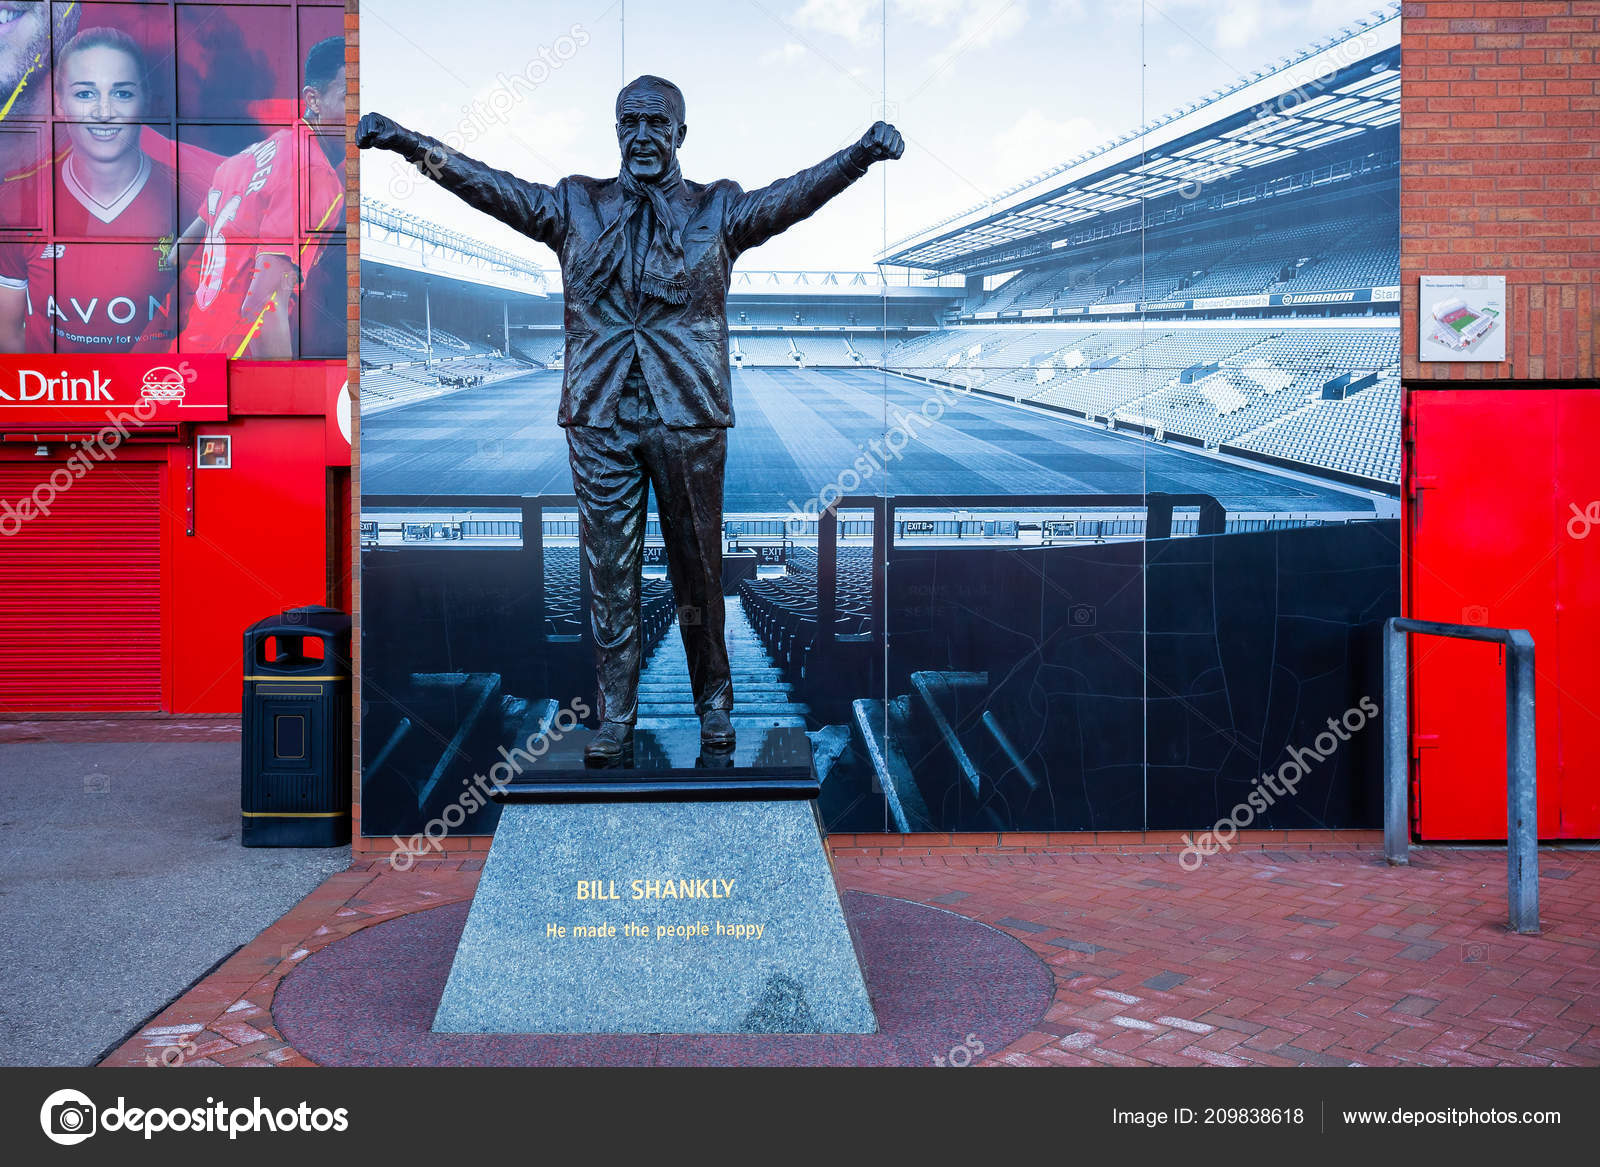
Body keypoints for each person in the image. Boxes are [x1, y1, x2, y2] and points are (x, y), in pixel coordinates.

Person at [359, 76, 903, 763]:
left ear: (681, 133)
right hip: (600, 416)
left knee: (698, 571)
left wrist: (859, 156)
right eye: (630, 122)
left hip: (688, 414)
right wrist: (410, 145)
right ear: (616, 130)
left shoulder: (718, 207)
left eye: (656, 123)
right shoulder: (575, 204)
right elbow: (490, 188)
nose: (642, 136)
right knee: (609, 578)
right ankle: (615, 715)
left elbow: (790, 197)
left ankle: (714, 704)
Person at [24, 26, 197, 352]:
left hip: (160, 384)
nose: (104, 113)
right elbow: (8, 338)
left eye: (122, 94)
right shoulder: (19, 203)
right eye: (85, 94)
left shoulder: (193, 198)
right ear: (59, 103)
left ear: (145, 100)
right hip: (59, 385)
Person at [179, 35, 345, 358]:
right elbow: (265, 303)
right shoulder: (314, 172)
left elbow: (178, 255)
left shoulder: (246, 157)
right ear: (313, 100)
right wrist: (280, 387)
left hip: (192, 356)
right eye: (349, 99)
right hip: (235, 363)